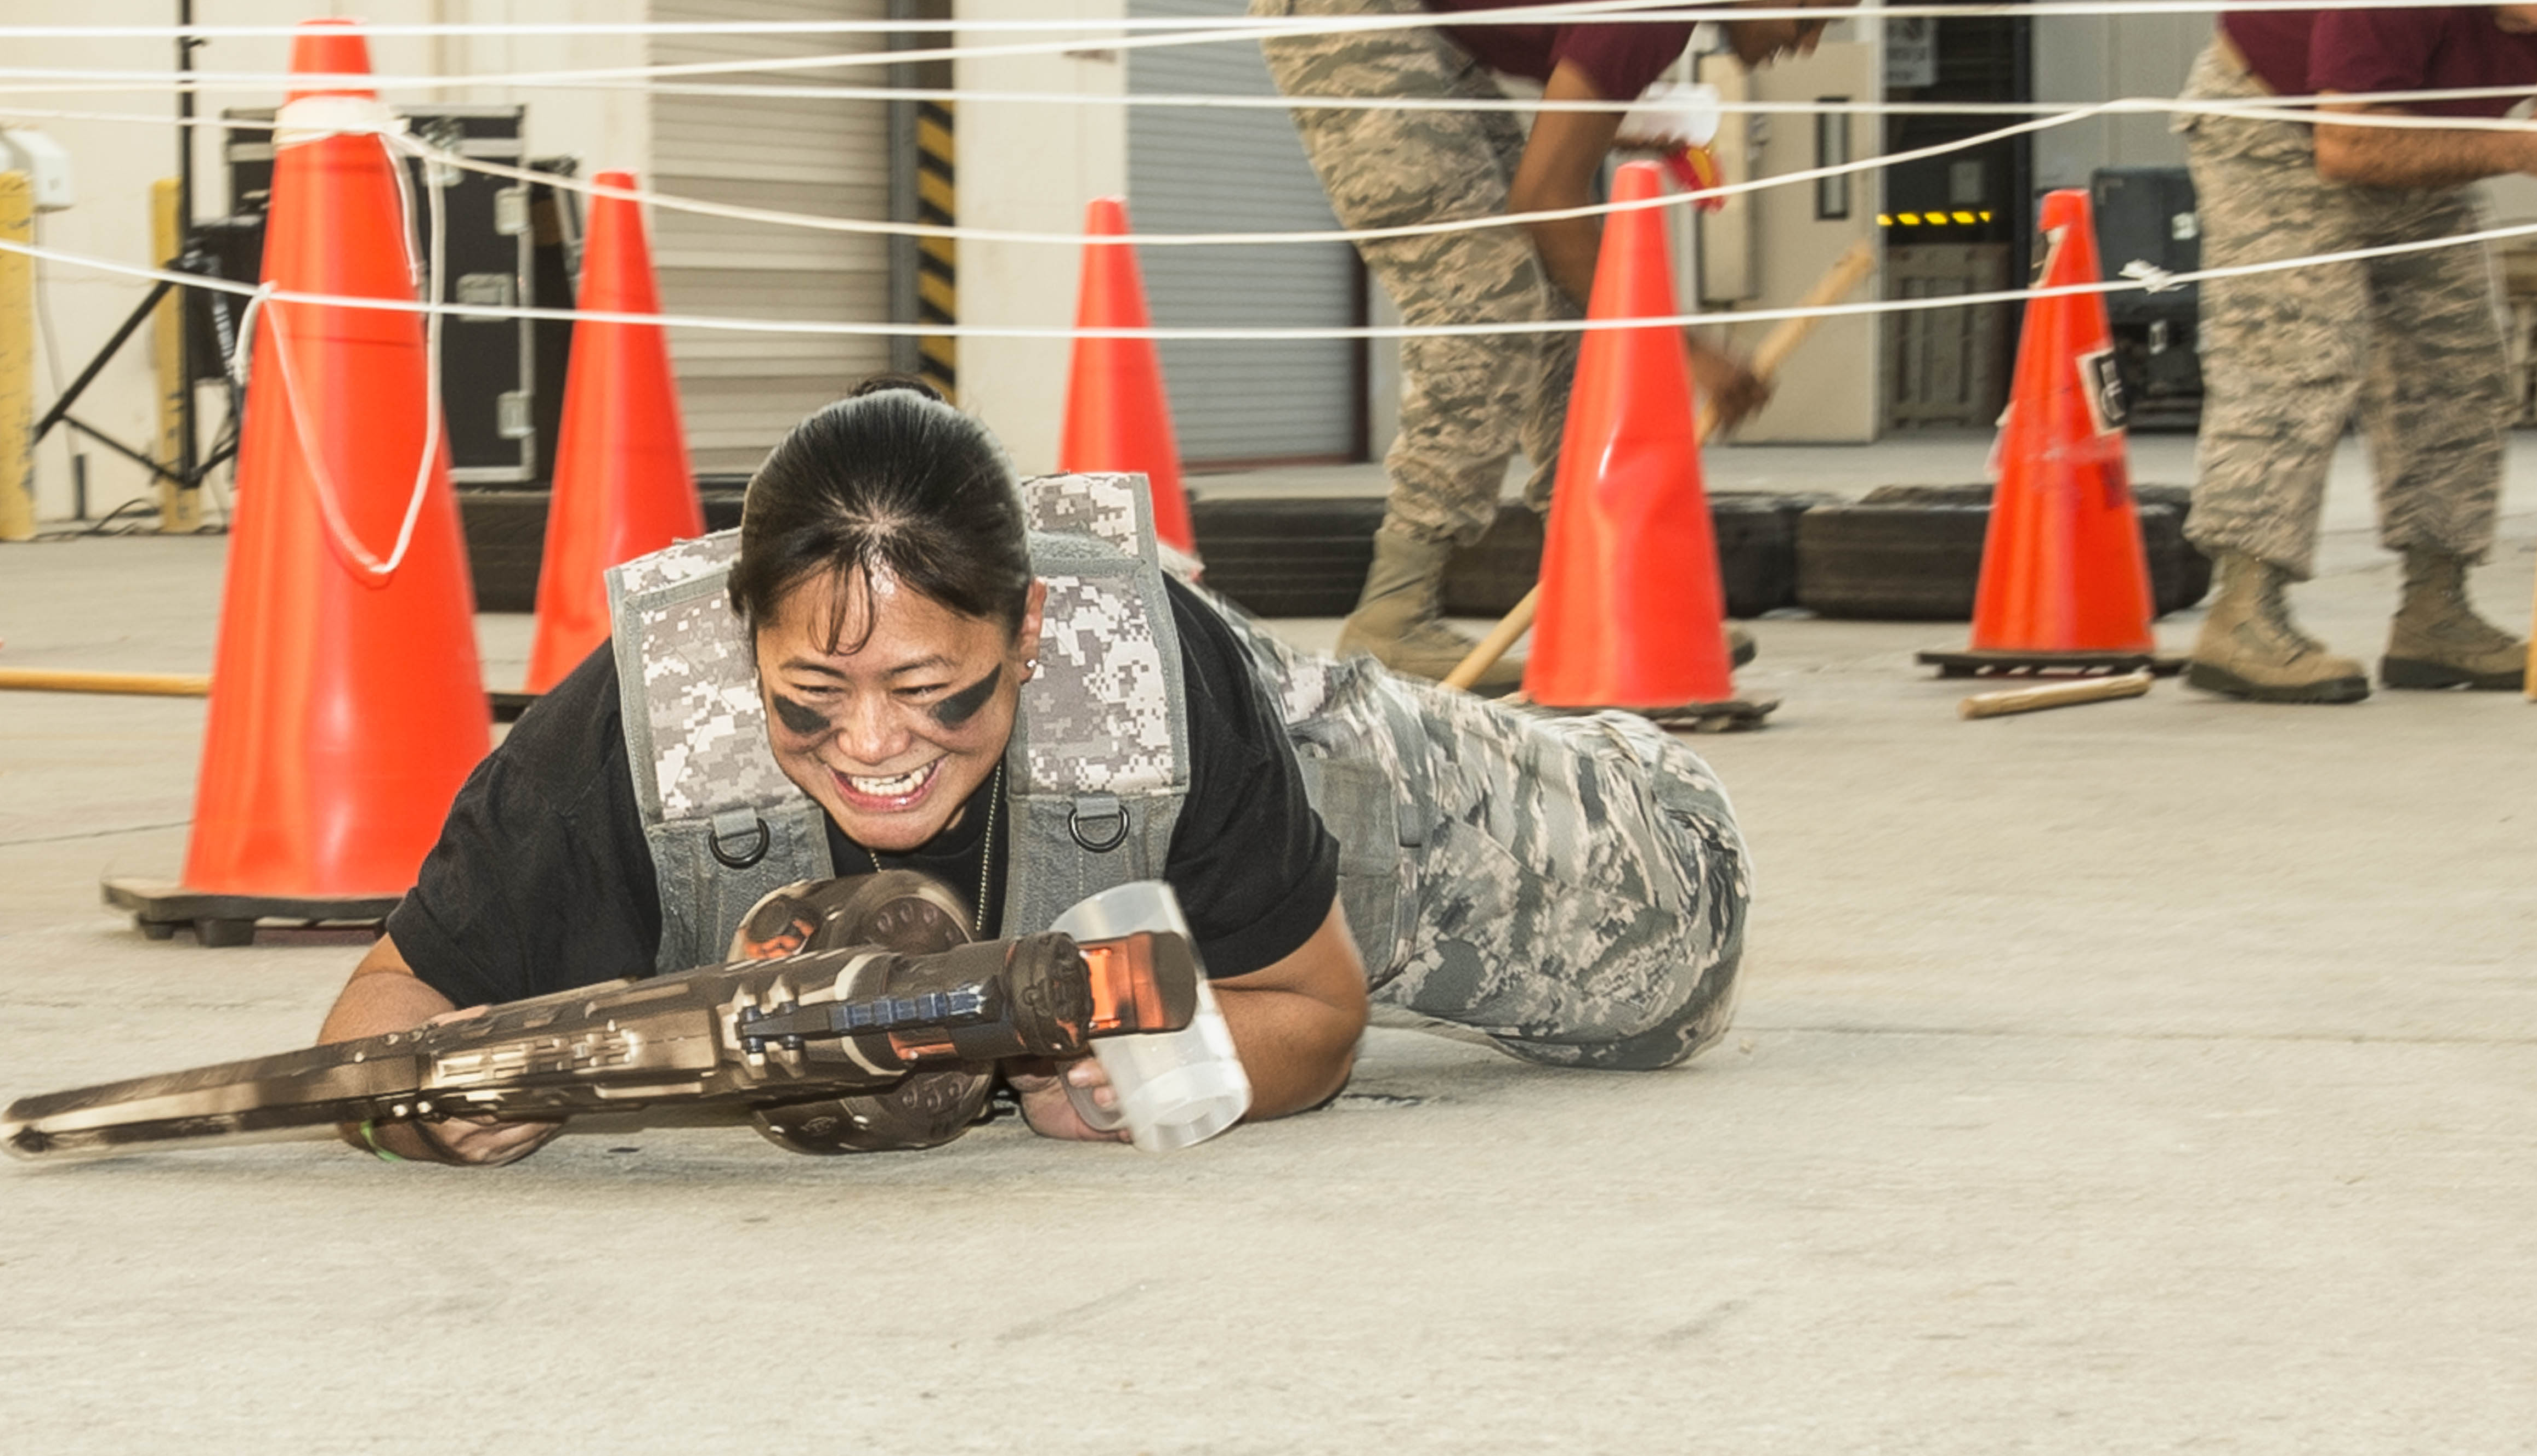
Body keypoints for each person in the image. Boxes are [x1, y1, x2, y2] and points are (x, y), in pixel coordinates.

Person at [318, 380, 1752, 1164]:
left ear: (1027, 630)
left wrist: (1178, 1067)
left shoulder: (1145, 676)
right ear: (743, 637)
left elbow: (1318, 1015)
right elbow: (376, 1014)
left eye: (932, 691)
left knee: (1670, 950)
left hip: (1345, 799)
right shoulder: (629, 727)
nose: (874, 747)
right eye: (811, 694)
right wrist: (433, 1107)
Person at [1250, 0, 1877, 685]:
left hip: (1406, 10)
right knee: (1489, 292)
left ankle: (1606, 587)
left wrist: (1623, 125)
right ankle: (1392, 615)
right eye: (1809, 14)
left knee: (1556, 296)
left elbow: (1554, 175)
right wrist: (1689, 355)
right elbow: (1546, 198)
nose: (1807, 44)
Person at [2174, 0, 2537, 703]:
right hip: (2282, 130)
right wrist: (2522, 149)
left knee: (2460, 364)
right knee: (2298, 355)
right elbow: (2347, 147)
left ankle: (2435, 612)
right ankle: (2242, 616)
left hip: (2429, 132)